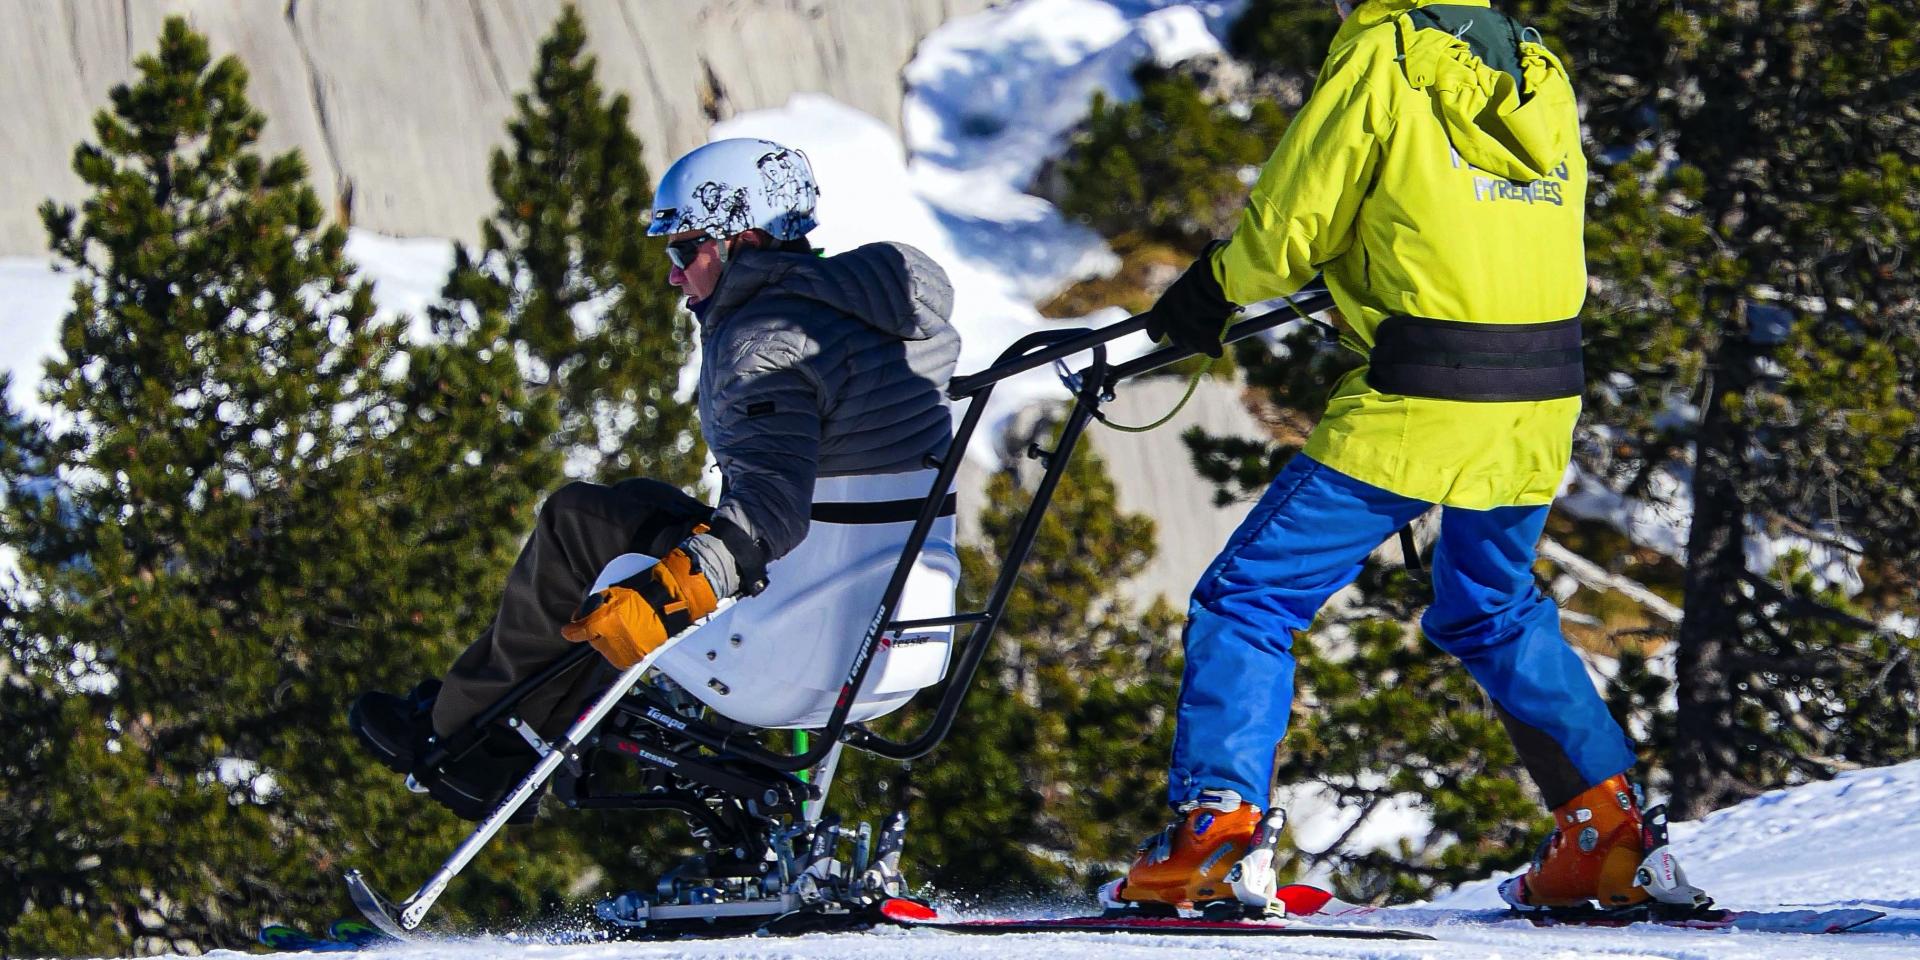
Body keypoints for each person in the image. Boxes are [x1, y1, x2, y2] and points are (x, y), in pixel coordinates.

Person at [1109, 0, 1704, 914]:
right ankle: (1610, 838)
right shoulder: (1536, 64)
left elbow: (1291, 222)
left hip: (1424, 388)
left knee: (1251, 597)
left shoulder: (1383, 51)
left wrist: (1214, 292)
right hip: (1539, 392)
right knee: (1493, 607)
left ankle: (1216, 838)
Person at [348, 138, 962, 822]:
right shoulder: (885, 314)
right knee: (636, 507)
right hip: (901, 631)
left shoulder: (765, 340)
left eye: (683, 249)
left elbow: (772, 513)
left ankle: (463, 744)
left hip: (801, 646)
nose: (673, 276)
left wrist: (672, 595)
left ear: (744, 238)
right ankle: (500, 726)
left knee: (578, 523)